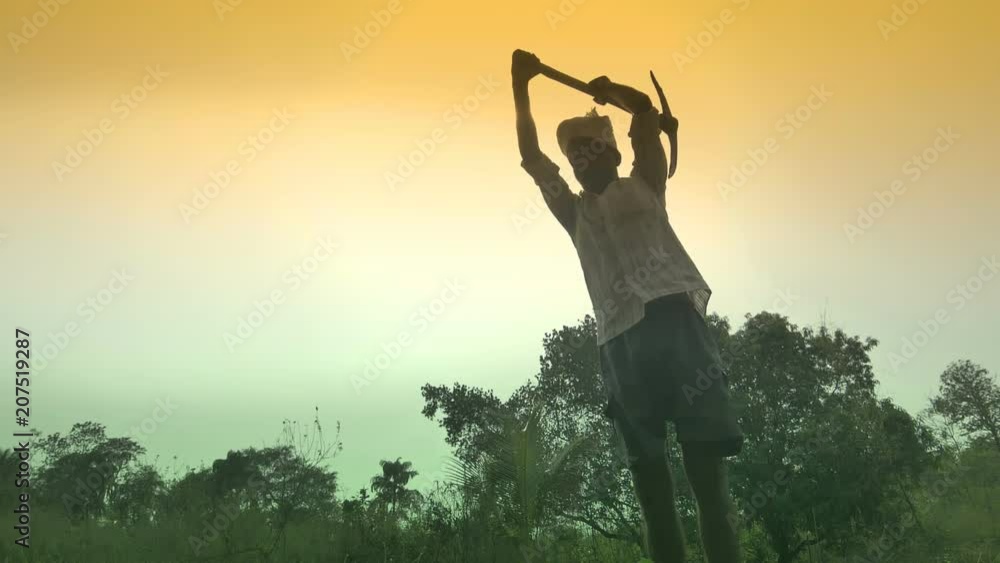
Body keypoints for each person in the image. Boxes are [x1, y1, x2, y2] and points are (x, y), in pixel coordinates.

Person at [511, 49, 744, 563]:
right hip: (620, 345)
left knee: (709, 482)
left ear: (615, 153)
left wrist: (611, 89)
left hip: (676, 325)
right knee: (654, 495)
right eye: (576, 157)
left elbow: (643, 111)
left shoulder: (648, 182)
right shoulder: (573, 212)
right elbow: (531, 157)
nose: (583, 161)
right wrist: (520, 85)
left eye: (593, 150)